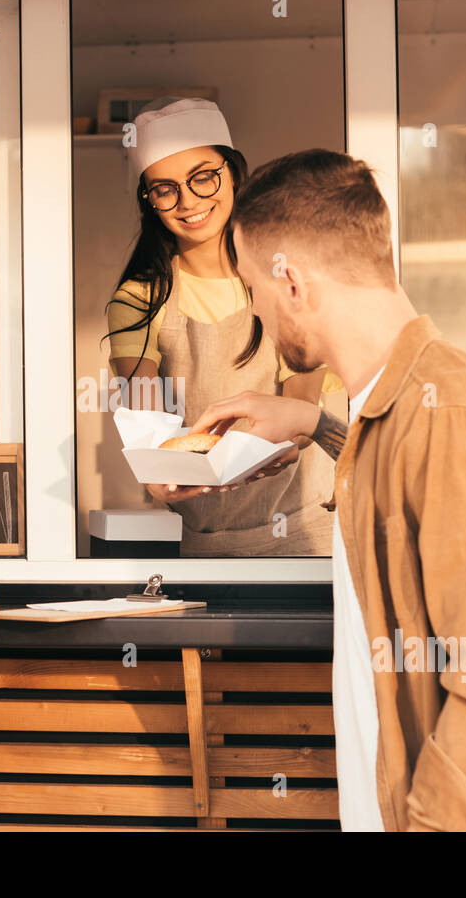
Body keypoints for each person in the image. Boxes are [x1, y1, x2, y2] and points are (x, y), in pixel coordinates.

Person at [190, 150, 466, 831]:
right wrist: (314, 425)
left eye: (252, 288)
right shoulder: (396, 414)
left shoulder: (453, 419)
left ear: (294, 284)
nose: (255, 312)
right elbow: (398, 482)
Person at [105, 97, 341, 556]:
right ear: (148, 200)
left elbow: (301, 406)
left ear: (232, 172)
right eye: (165, 188)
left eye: (203, 176)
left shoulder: (285, 276)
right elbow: (146, 421)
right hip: (206, 542)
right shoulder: (138, 300)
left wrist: (287, 441)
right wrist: (159, 479)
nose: (188, 201)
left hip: (307, 533)